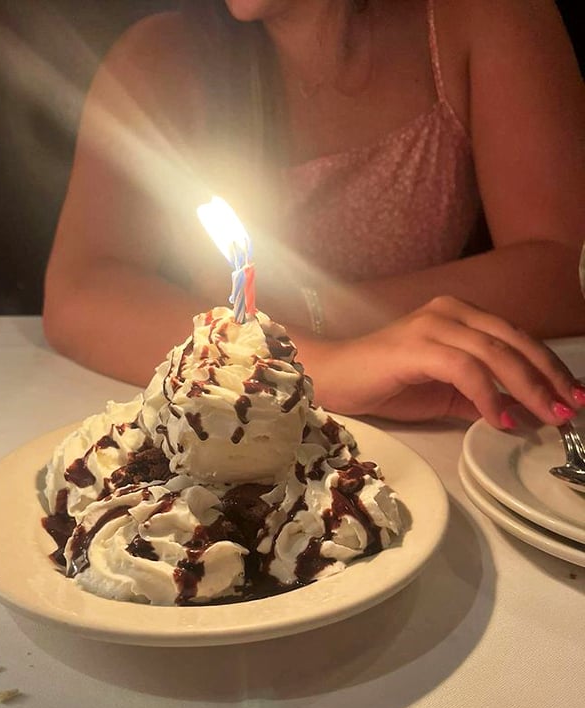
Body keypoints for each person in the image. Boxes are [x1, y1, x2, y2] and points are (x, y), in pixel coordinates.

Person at [43, 0, 585, 428]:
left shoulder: (479, 19)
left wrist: (312, 312)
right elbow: (79, 293)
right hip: (233, 427)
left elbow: (561, 270)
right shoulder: (160, 56)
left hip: (446, 435)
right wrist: (315, 366)